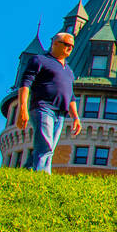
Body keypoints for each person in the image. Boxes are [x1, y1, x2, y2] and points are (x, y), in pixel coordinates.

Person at [16, 32, 82, 173]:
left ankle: (27, 171)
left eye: (72, 46)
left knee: (48, 144)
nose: (70, 48)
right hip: (43, 107)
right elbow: (25, 84)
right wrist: (22, 108)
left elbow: (71, 96)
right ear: (55, 43)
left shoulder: (68, 71)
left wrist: (75, 117)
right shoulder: (39, 60)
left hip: (61, 113)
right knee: (46, 146)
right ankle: (43, 176)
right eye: (67, 44)